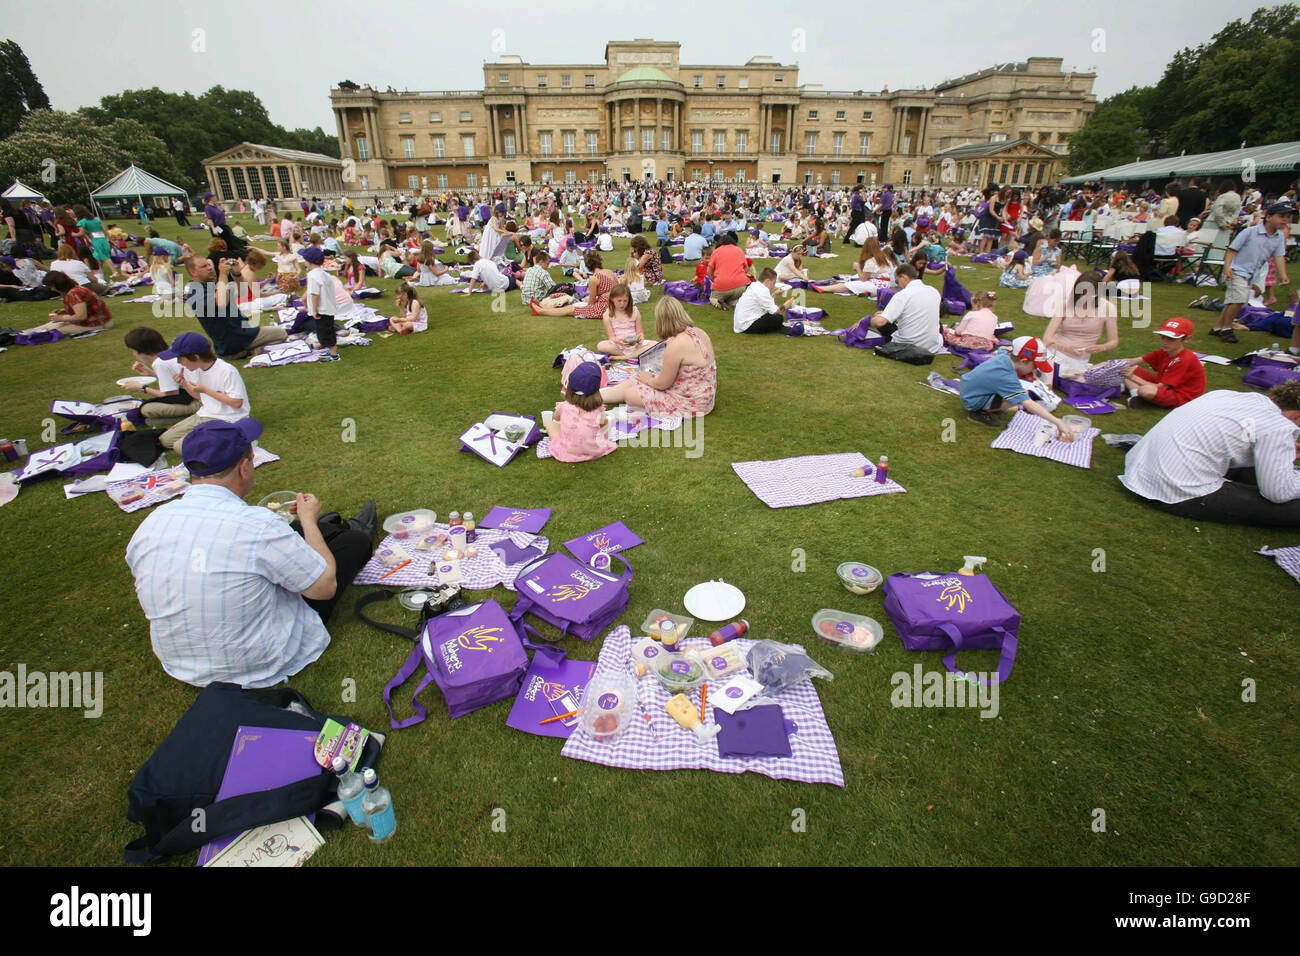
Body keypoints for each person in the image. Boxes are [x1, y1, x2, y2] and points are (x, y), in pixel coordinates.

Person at [126, 417, 376, 687]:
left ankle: (330, 527)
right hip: (257, 662)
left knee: (291, 543)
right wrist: (307, 521)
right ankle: (350, 530)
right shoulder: (258, 524)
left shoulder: (152, 522)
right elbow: (324, 588)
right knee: (354, 543)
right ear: (244, 468)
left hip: (180, 661)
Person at [1118, 381, 1300, 526]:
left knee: (1266, 476)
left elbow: (1235, 442)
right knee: (1290, 506)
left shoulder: (1227, 395)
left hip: (1142, 469)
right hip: (1177, 490)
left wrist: (1282, 454)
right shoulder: (1279, 426)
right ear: (1296, 416)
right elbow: (1278, 493)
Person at [600, 297, 716, 418]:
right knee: (637, 378)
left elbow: (662, 384)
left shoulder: (676, 345)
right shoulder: (699, 332)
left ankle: (597, 397)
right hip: (703, 396)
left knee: (631, 394)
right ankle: (598, 397)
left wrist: (648, 380)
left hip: (690, 403)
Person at [960, 335, 1079, 439]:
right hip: (973, 400)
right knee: (1020, 397)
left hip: (970, 389)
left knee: (1018, 394)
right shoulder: (1005, 375)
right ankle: (980, 413)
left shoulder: (1005, 358)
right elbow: (1027, 402)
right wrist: (1058, 422)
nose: (1035, 370)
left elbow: (1003, 349)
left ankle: (992, 407)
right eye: (1035, 366)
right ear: (1024, 361)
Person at [154, 331, 249, 452]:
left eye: (180, 358)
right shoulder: (195, 370)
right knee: (165, 440)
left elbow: (237, 403)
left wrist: (206, 390)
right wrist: (184, 383)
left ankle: (227, 438)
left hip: (227, 418)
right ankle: (207, 437)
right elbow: (199, 397)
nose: (178, 362)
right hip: (205, 413)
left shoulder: (226, 371)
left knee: (180, 447)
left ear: (195, 357)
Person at [1212, 202, 1292, 343]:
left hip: (1251, 273)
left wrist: (1283, 275)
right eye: (1281, 216)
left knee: (1232, 301)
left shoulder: (1279, 236)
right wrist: (1227, 268)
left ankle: (1218, 327)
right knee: (1238, 300)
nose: (1285, 219)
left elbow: (1279, 256)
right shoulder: (1250, 231)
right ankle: (1226, 329)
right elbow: (1232, 249)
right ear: (1268, 217)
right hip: (1237, 270)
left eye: (1287, 217)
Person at [183, 256, 288, 358]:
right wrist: (223, 274)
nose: (210, 268)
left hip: (240, 333)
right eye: (204, 266)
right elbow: (221, 302)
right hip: (234, 339)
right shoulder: (195, 291)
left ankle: (250, 350)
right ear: (193, 272)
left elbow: (243, 292)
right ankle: (250, 350)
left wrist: (237, 273)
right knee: (281, 333)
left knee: (276, 331)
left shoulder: (208, 285)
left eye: (208, 265)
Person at [1041, 270, 1119, 378]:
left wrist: (1101, 347)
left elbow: (1114, 341)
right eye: (1083, 293)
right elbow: (1047, 338)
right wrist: (1065, 348)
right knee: (1045, 369)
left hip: (1080, 357)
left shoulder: (1108, 308)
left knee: (1069, 375)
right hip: (1057, 350)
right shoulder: (1065, 304)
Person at [1119, 317, 1206, 408]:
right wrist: (1109, 364)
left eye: (1171, 339)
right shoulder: (1165, 351)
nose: (1165, 342)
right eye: (1162, 337)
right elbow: (1135, 361)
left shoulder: (1184, 359)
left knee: (1146, 390)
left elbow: (1159, 387)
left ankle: (1138, 396)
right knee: (1128, 368)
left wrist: (1132, 377)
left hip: (1182, 396)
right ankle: (1136, 396)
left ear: (1186, 339)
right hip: (1164, 385)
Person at [121, 326, 201, 425]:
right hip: (199, 394)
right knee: (150, 420)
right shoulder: (170, 353)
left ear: (140, 350)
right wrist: (151, 373)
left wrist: (142, 388)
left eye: (132, 350)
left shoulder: (160, 362)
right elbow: (175, 381)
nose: (133, 354)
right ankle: (190, 417)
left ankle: (197, 415)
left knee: (146, 409)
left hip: (200, 400)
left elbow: (170, 394)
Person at [868, 264, 944, 364]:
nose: (898, 285)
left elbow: (880, 322)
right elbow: (917, 311)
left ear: (903, 277)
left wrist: (867, 321)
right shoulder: (934, 291)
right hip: (932, 345)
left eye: (897, 281)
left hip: (907, 344)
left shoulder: (903, 295)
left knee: (880, 320)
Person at [545, 361, 617, 463]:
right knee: (607, 422)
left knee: (550, 425)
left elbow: (556, 418)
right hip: (594, 451)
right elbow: (603, 424)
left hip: (569, 452)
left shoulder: (564, 406)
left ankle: (573, 441)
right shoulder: (598, 410)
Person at [530, 251, 613, 318]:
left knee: (571, 309)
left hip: (603, 308)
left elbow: (591, 304)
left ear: (588, 266)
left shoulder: (594, 278)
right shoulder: (610, 272)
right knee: (575, 305)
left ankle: (540, 310)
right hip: (613, 306)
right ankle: (543, 308)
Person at [301, 247, 340, 361]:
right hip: (328, 307)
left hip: (322, 309)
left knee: (325, 332)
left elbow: (314, 294)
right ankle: (329, 349)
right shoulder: (324, 274)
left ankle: (334, 355)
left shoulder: (313, 276)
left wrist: (313, 310)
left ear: (309, 261)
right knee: (327, 330)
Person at [40, 271, 113, 332]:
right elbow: (84, 308)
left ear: (58, 284)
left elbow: (81, 316)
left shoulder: (74, 293)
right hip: (99, 320)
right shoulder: (76, 289)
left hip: (98, 323)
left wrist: (61, 318)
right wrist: (64, 311)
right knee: (47, 326)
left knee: (53, 331)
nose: (52, 289)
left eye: (51, 286)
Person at [597, 283, 652, 357]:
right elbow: (612, 337)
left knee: (655, 344)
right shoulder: (607, 315)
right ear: (612, 299)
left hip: (635, 345)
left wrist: (640, 339)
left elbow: (640, 333)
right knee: (600, 345)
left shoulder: (635, 312)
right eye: (619, 301)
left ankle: (625, 357)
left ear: (629, 300)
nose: (622, 304)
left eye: (625, 301)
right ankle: (635, 355)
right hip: (618, 346)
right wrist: (619, 341)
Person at [733, 267, 788, 334]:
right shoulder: (763, 290)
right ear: (767, 281)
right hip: (747, 326)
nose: (773, 286)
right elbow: (776, 312)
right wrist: (787, 305)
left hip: (740, 324)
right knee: (778, 318)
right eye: (773, 283)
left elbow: (767, 304)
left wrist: (775, 294)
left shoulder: (755, 285)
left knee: (772, 316)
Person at [706, 232, 752, 309]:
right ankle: (734, 303)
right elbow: (746, 268)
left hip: (722, 287)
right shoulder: (739, 250)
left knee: (713, 298)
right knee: (734, 299)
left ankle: (719, 303)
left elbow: (709, 271)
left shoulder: (716, 252)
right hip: (740, 287)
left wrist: (715, 280)